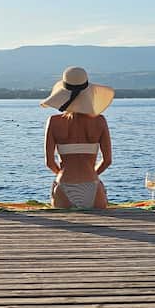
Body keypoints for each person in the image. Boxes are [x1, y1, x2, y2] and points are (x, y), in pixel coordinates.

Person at [41, 66, 114, 209]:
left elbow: (49, 162)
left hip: (64, 185)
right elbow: (107, 161)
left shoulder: (54, 122)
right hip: (93, 186)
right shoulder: (99, 121)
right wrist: (92, 173)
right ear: (89, 94)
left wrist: (61, 173)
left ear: (62, 94)